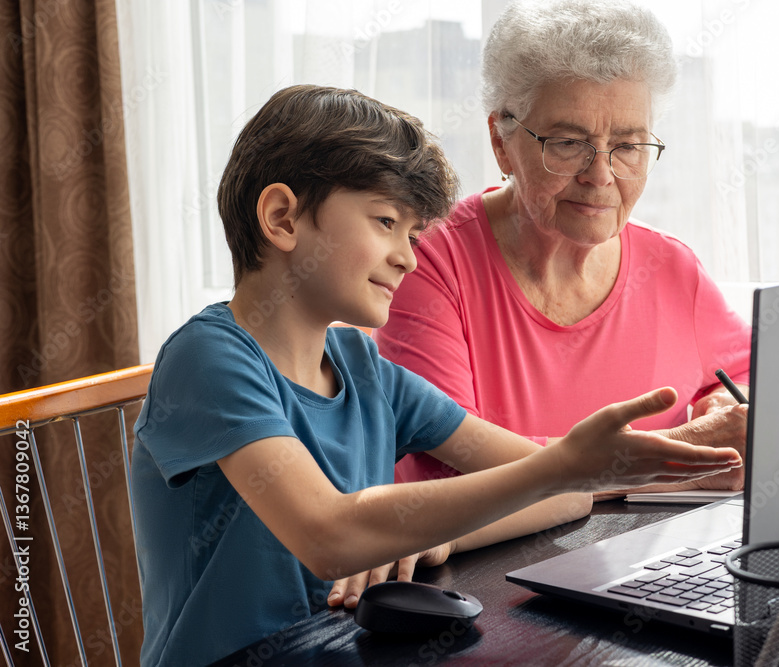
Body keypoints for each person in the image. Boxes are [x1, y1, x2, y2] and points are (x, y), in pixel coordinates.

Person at [129, 85, 742, 667]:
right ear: (284, 218)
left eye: (417, 234)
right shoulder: (209, 359)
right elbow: (327, 536)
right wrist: (561, 468)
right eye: (386, 223)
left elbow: (554, 492)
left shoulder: (366, 371)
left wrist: (556, 480)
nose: (409, 257)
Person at [376, 0, 752, 498]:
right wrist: (683, 448)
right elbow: (462, 468)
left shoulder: (672, 266)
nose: (600, 175)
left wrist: (727, 408)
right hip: (483, 569)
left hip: (642, 563)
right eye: (568, 143)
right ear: (501, 141)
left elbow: (747, 378)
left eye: (629, 145)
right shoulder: (430, 261)